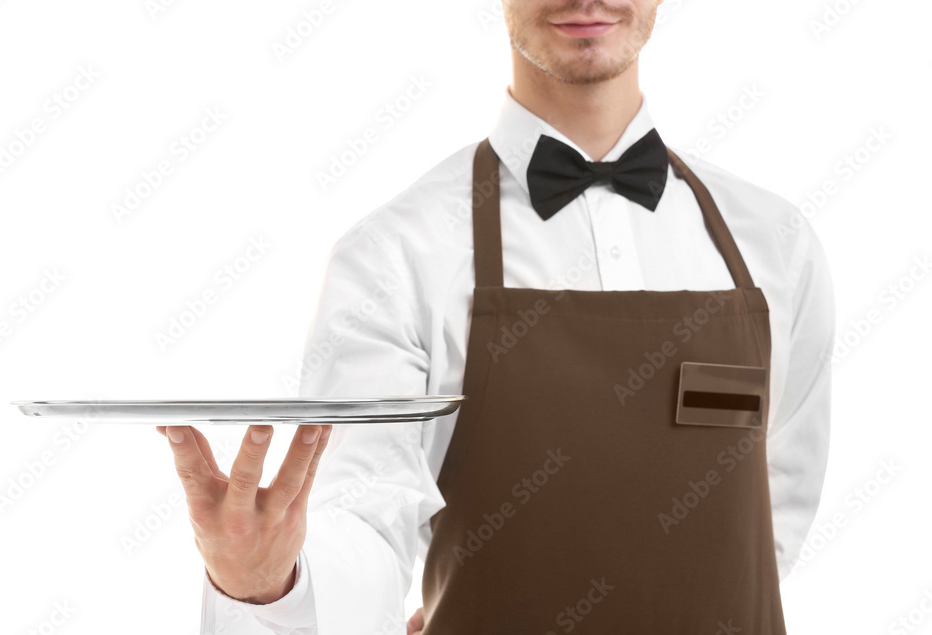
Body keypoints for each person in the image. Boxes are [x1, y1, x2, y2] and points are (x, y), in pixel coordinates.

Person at [160, 1, 835, 633]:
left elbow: (772, 527)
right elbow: (365, 517)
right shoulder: (394, 257)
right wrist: (269, 580)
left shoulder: (775, 242)